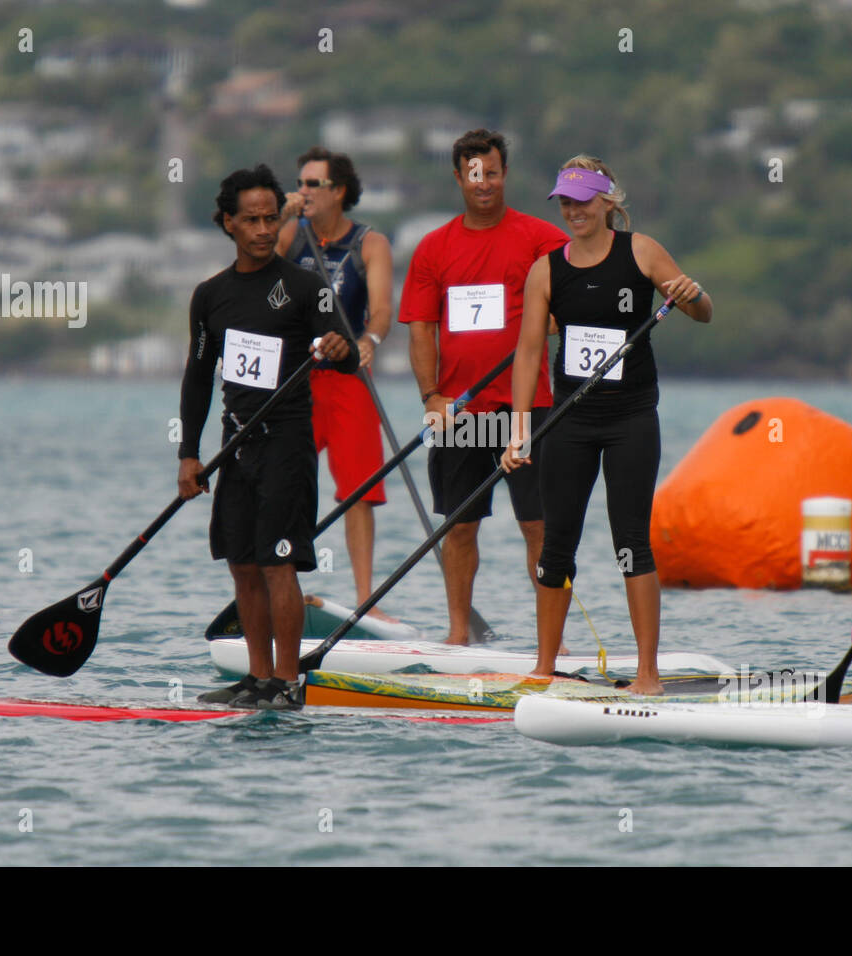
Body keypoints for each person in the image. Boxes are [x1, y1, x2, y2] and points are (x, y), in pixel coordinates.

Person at [500, 157, 711, 696]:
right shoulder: (547, 269)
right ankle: (544, 667)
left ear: (607, 203)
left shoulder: (640, 251)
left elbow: (703, 312)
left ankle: (647, 676)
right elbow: (527, 355)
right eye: (565, 203)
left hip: (631, 421)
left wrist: (693, 296)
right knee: (556, 548)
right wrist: (519, 430)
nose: (574, 212)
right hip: (569, 422)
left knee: (631, 544)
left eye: (584, 202)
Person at [179, 164, 356, 710]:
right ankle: (257, 678)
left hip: (286, 443)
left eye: (269, 218)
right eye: (250, 220)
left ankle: (287, 681)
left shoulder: (305, 287)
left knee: (279, 562)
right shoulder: (211, 296)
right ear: (228, 223)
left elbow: (345, 350)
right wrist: (189, 453)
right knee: (243, 563)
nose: (261, 229)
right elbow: (198, 376)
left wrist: (338, 348)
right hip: (237, 447)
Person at [399, 128, 567, 645]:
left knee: (537, 526)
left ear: (505, 174)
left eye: (492, 172)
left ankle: (551, 643)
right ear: (458, 178)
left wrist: (551, 321)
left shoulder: (541, 238)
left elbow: (574, 301)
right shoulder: (434, 248)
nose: (484, 183)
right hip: (459, 413)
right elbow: (422, 329)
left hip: (526, 409)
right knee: (459, 525)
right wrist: (431, 398)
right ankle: (457, 634)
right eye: (474, 174)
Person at [275, 146, 396, 620]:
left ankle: (366, 598)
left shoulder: (369, 243)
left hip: (347, 378)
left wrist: (370, 339)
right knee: (282, 485)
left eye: (312, 184)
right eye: (299, 182)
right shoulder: (288, 236)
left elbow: (384, 309)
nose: (301, 191)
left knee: (360, 490)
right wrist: (283, 221)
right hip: (297, 380)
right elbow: (251, 271)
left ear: (338, 192)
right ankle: (280, 585)